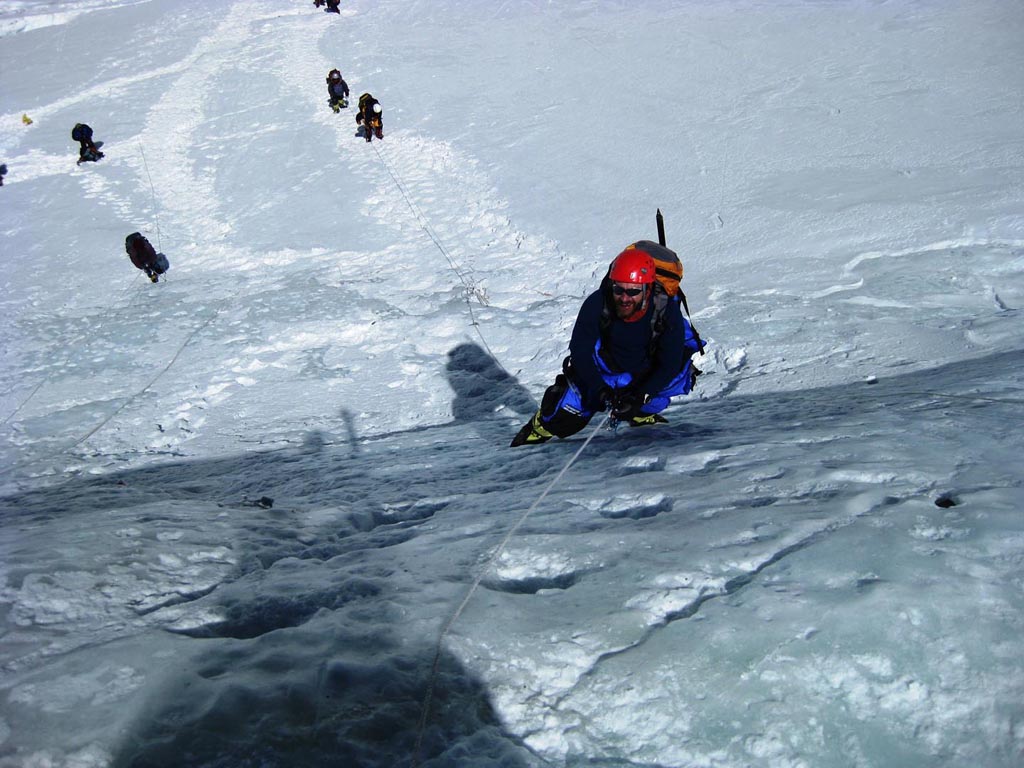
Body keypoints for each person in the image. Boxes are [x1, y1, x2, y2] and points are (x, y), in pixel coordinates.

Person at [511, 244, 704, 447]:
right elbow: (580, 351)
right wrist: (599, 390)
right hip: (605, 370)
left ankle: (639, 414)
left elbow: (670, 362)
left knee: (659, 395)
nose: (624, 298)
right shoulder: (597, 303)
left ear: (647, 290)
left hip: (643, 372)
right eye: (618, 289)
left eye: (633, 291)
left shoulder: (666, 311)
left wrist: (641, 395)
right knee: (567, 415)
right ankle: (541, 426)